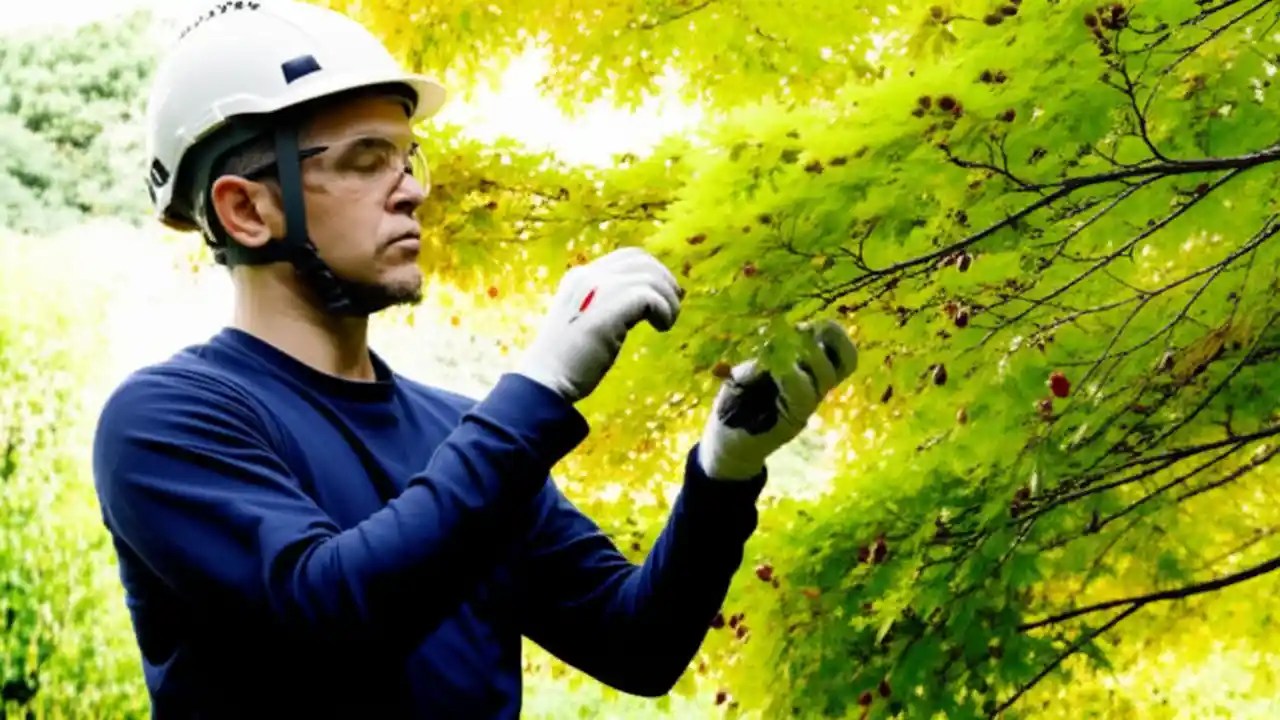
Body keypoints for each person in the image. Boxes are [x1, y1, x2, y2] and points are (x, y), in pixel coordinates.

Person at [91, 1, 859, 717]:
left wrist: (722, 474)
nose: (411, 192)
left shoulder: (460, 434)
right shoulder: (166, 421)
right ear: (247, 210)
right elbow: (328, 610)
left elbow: (639, 644)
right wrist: (541, 387)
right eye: (366, 159)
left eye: (406, 157)